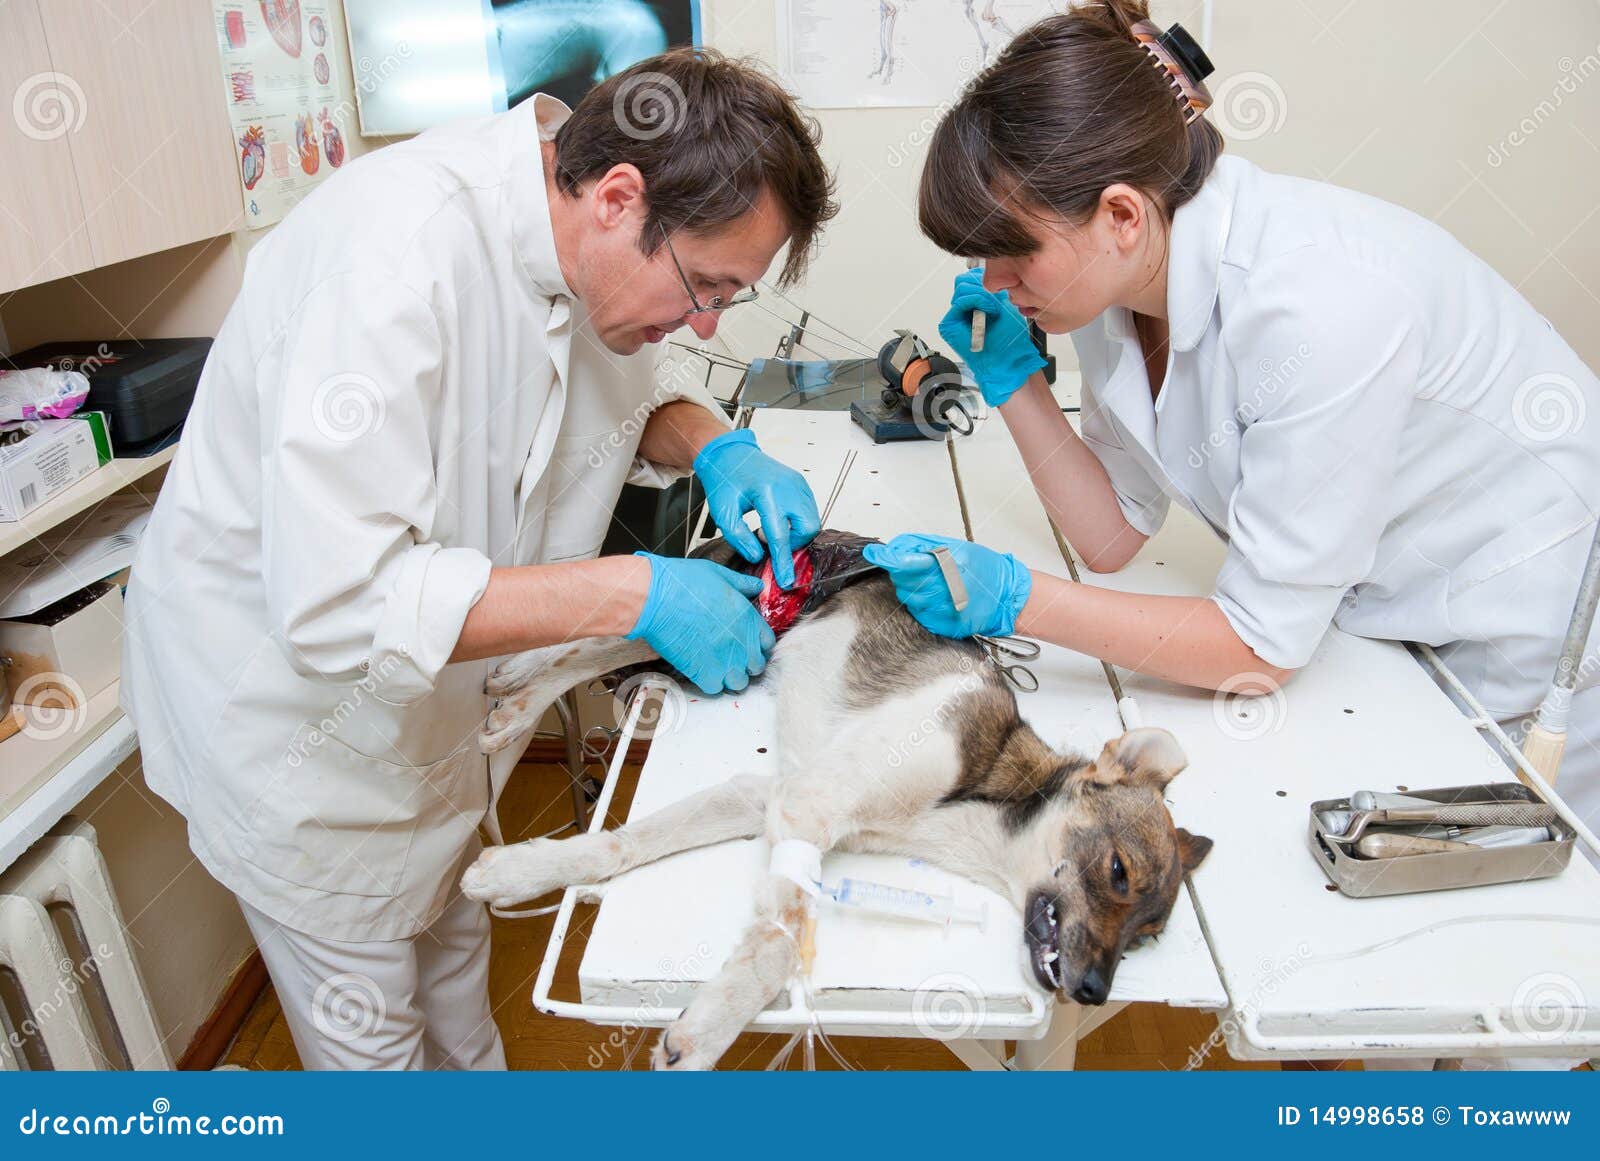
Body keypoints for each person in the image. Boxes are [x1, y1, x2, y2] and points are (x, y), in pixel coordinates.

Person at [120, 48, 836, 1069]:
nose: (707, 319)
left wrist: (714, 443)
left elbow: (627, 379)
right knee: (376, 1049)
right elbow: (339, 603)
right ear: (620, 198)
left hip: (436, 728)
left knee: (456, 959)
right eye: (705, 286)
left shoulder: (581, 240)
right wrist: (635, 591)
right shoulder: (390, 259)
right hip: (301, 749)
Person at [867, 2, 1600, 851]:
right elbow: (1111, 532)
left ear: (1121, 215)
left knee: (1544, 912)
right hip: (1397, 620)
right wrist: (1015, 383)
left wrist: (1013, 597)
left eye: (1013, 251)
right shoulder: (1124, 293)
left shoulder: (1321, 305)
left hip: (1538, 635)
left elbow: (1258, 645)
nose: (992, 280)